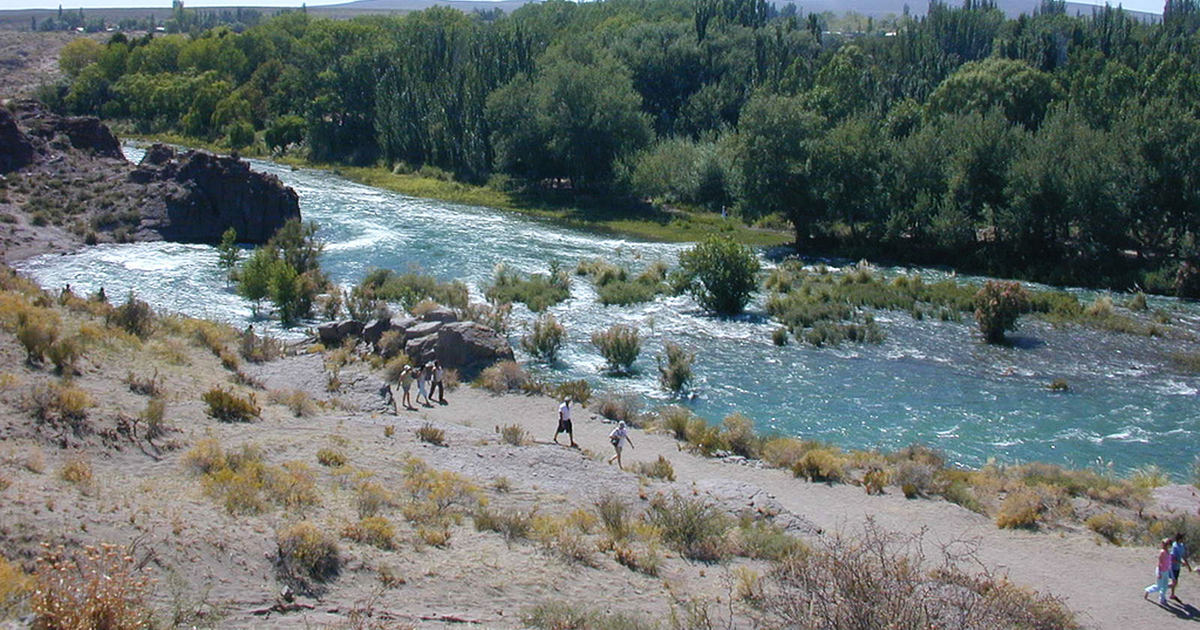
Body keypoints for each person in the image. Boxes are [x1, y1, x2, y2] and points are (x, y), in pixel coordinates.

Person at [1147, 537, 1173, 605]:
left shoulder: (1168, 552)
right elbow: (1159, 562)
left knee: (1165, 586)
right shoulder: (1162, 552)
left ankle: (1162, 598)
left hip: (1166, 571)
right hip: (1161, 571)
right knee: (1159, 586)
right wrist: (1159, 573)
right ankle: (1148, 590)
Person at [1170, 532, 1195, 602]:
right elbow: (1173, 558)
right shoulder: (1175, 546)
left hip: (1177, 566)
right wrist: (1181, 562)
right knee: (1174, 581)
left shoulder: (1182, 546)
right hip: (1172, 566)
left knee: (1175, 581)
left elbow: (1183, 556)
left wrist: (1188, 566)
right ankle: (1163, 588)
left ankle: (1172, 594)